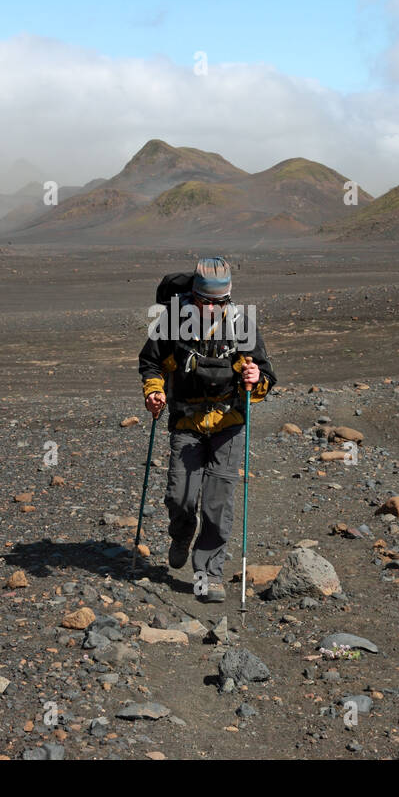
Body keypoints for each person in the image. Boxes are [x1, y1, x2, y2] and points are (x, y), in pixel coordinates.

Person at [138, 257, 275, 603]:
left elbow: (266, 373)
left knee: (218, 501)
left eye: (220, 302)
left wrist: (256, 379)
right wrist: (154, 392)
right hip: (186, 421)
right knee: (180, 496)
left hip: (229, 423)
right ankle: (182, 532)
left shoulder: (242, 324)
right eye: (205, 302)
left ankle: (208, 575)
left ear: (228, 299)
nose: (212, 309)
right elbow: (151, 362)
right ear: (193, 297)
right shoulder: (171, 321)